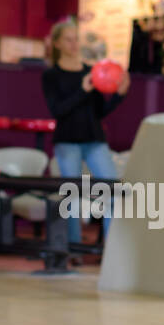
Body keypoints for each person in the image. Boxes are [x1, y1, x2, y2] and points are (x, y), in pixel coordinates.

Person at [41, 18, 130, 247]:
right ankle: (72, 248)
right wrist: (82, 90)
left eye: (76, 39)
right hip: (67, 141)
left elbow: (100, 111)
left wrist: (119, 94)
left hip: (95, 140)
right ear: (58, 43)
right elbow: (57, 110)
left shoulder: (93, 71)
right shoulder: (51, 75)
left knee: (111, 189)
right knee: (71, 196)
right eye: (68, 40)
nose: (73, 44)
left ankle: (112, 250)